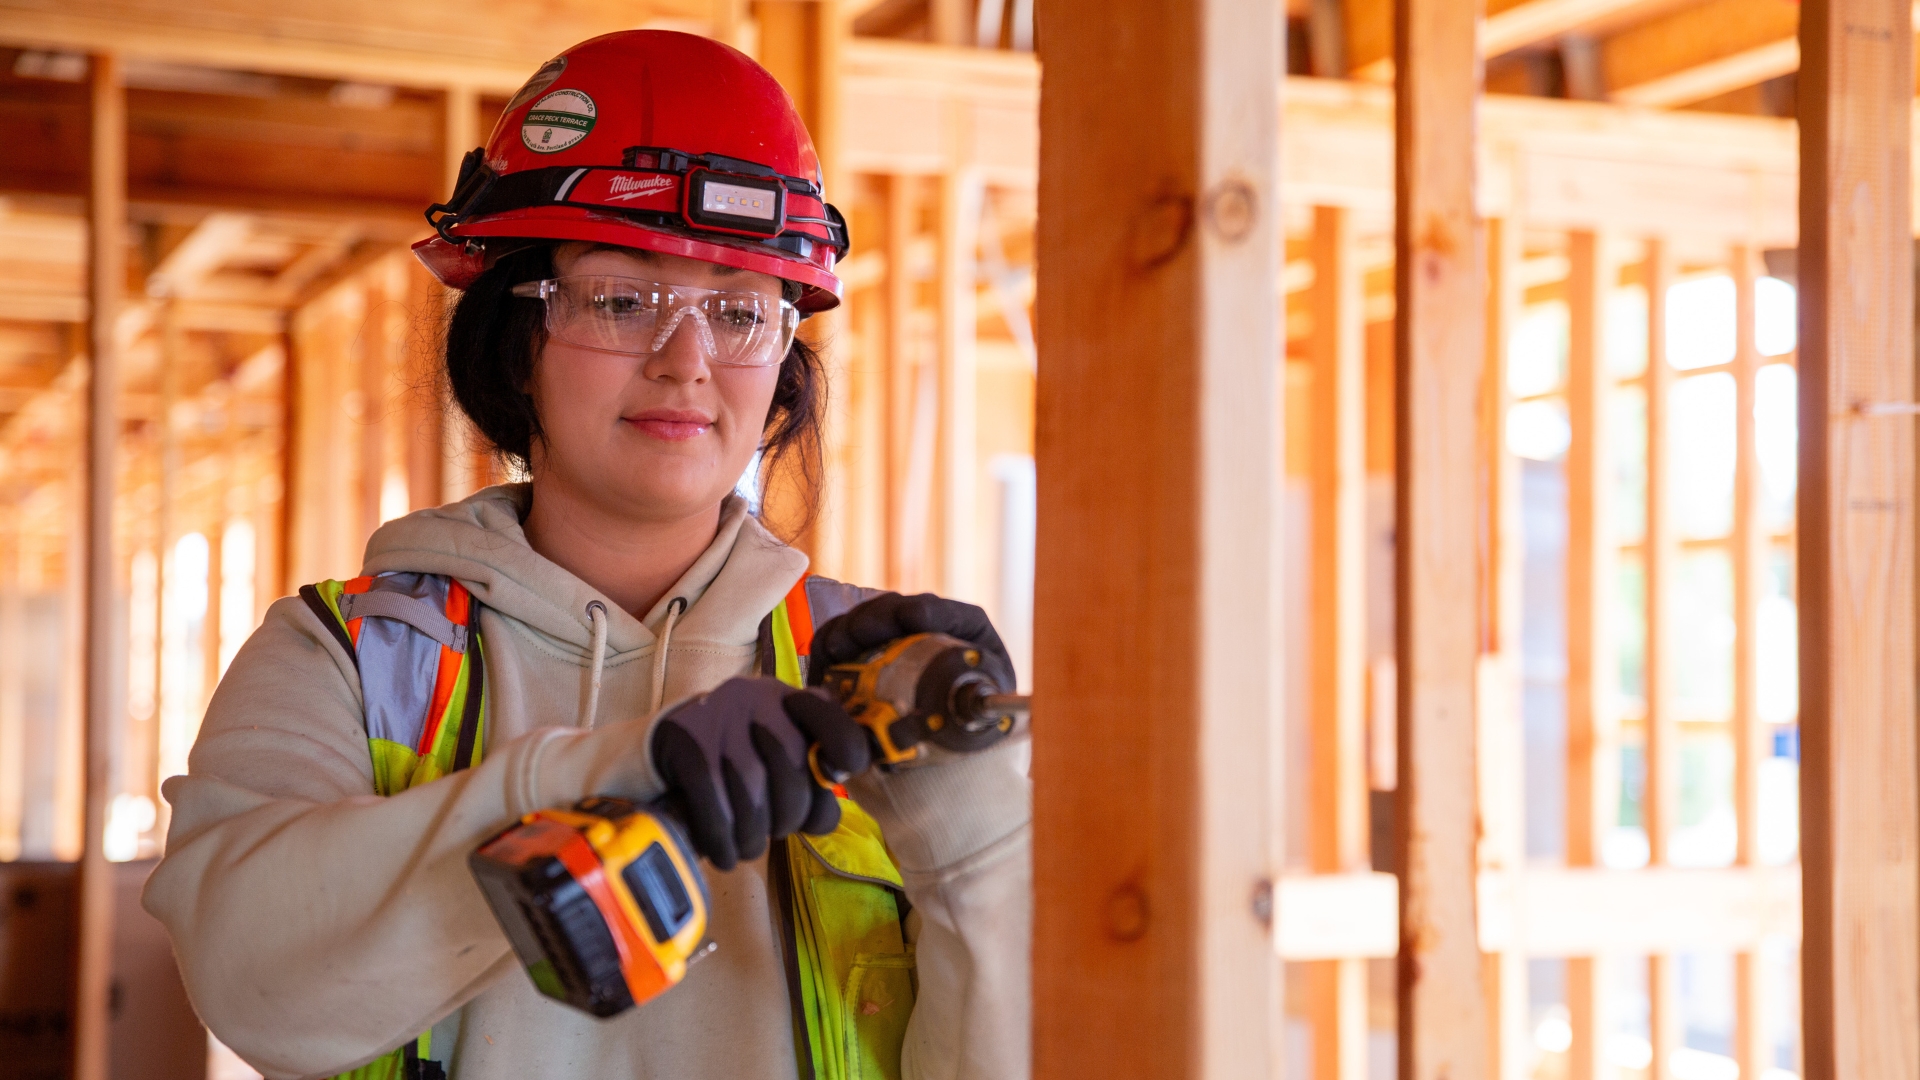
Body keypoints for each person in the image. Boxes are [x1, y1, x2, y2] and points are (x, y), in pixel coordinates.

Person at [143, 30, 1030, 1080]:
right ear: (516, 340)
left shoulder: (865, 685)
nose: (687, 361)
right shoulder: (350, 662)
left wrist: (976, 842)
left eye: (741, 311)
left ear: (784, 362)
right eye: (621, 298)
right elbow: (255, 986)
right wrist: (625, 769)